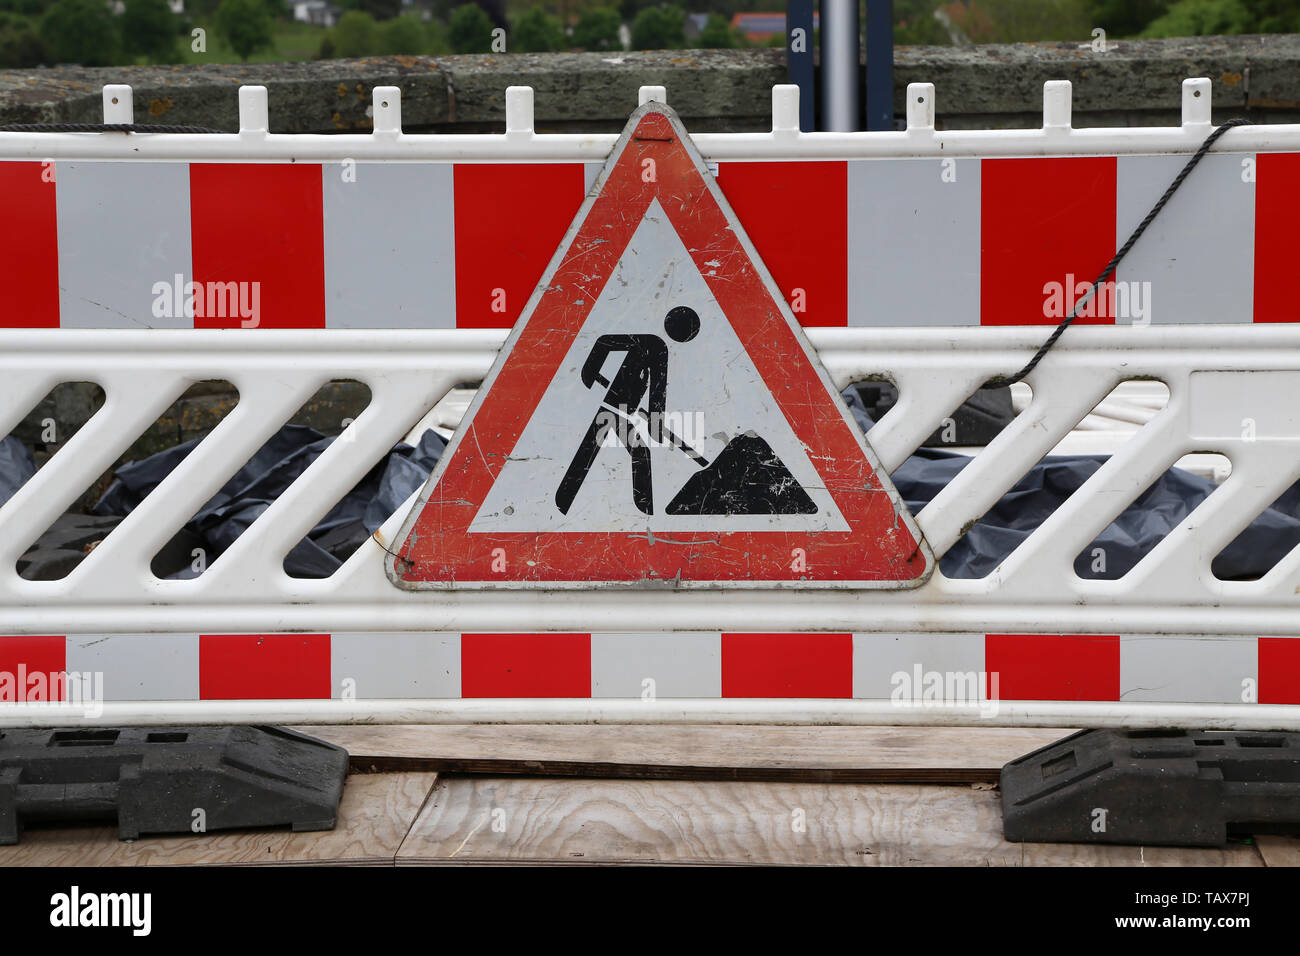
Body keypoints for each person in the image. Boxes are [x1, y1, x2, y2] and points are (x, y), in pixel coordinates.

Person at [555, 306, 700, 515]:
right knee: (631, 452)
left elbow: (604, 342)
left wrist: (590, 373)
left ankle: (563, 502)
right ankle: (645, 511)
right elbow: (657, 393)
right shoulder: (657, 347)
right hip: (613, 410)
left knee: (601, 452)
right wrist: (656, 425)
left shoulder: (650, 342)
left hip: (616, 411)